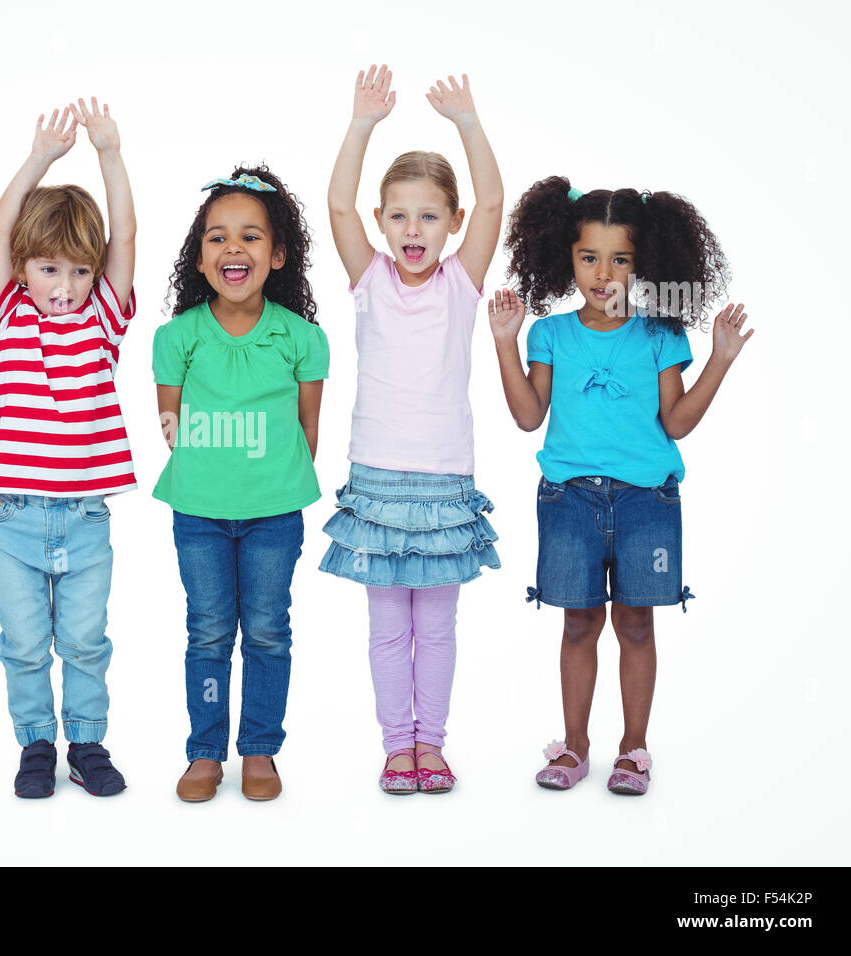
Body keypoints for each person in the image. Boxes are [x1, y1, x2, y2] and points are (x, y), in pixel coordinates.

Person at [490, 176, 752, 794]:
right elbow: (529, 416)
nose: (603, 272)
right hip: (568, 500)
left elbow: (676, 423)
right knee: (578, 624)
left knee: (636, 623)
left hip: (646, 502)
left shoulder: (661, 335)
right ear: (566, 257)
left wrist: (719, 358)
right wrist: (504, 341)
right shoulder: (550, 334)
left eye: (621, 259)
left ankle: (633, 749)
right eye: (589, 257)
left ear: (647, 263)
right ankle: (574, 746)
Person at [319, 66, 503, 794]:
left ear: (451, 223)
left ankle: (433, 744)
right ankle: (398, 746)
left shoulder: (462, 282)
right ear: (383, 223)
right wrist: (362, 122)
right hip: (378, 483)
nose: (413, 230)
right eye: (398, 216)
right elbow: (337, 207)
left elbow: (494, 199)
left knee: (440, 630)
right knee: (389, 629)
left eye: (429, 216)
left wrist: (467, 120)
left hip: (445, 483)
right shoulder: (370, 280)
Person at [154, 166, 329, 802]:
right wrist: (220, 464)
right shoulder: (176, 337)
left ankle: (259, 749)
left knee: (266, 630)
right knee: (207, 630)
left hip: (275, 514)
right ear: (198, 258)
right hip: (198, 512)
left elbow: (310, 430)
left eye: (251, 237)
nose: (234, 249)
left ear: (277, 255)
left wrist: (264, 471)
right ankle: (206, 751)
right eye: (217, 237)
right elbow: (169, 424)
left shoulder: (302, 338)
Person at [0, 99, 137, 799]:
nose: (65, 288)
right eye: (48, 270)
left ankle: (88, 742)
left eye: (79, 271)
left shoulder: (103, 317)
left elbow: (126, 237)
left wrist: (109, 155)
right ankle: (36, 744)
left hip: (83, 515)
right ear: (22, 269)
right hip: (11, 517)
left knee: (83, 640)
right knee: (21, 644)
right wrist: (40, 158)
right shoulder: (6, 310)